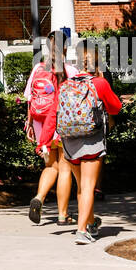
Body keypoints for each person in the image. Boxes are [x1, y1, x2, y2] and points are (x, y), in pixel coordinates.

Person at [36, 51, 121, 243]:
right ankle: (82, 231)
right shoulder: (99, 83)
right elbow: (116, 107)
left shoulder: (65, 85)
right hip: (92, 141)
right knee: (88, 187)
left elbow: (52, 116)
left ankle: (90, 224)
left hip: (69, 143)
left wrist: (44, 142)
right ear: (97, 67)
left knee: (81, 187)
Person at [26, 34, 79, 226]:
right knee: (65, 168)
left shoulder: (38, 68)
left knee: (50, 166)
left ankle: (39, 197)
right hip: (62, 126)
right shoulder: (71, 71)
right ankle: (62, 215)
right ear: (65, 48)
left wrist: (30, 122)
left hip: (42, 126)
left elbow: (30, 98)